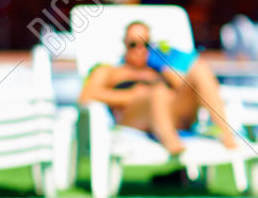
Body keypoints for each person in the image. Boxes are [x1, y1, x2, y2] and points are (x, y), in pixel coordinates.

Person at [78, 19, 240, 155]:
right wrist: (131, 95)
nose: (140, 50)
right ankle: (173, 144)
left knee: (200, 69)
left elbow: (187, 90)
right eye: (134, 44)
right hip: (133, 117)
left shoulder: (157, 69)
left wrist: (170, 74)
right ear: (124, 44)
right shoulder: (109, 71)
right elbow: (86, 95)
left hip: (171, 113)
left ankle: (227, 134)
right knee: (158, 92)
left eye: (146, 45)